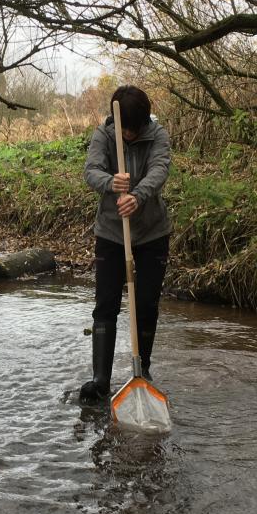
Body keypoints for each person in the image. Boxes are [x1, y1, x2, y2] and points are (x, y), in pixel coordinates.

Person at [79, 85, 172, 404]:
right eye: (125, 129)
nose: (129, 134)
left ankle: (142, 371)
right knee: (106, 305)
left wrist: (137, 195)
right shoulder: (103, 135)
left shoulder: (157, 135)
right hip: (111, 234)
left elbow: (160, 169)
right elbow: (91, 171)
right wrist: (110, 182)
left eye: (135, 128)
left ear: (144, 121)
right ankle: (100, 380)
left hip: (151, 233)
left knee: (146, 304)